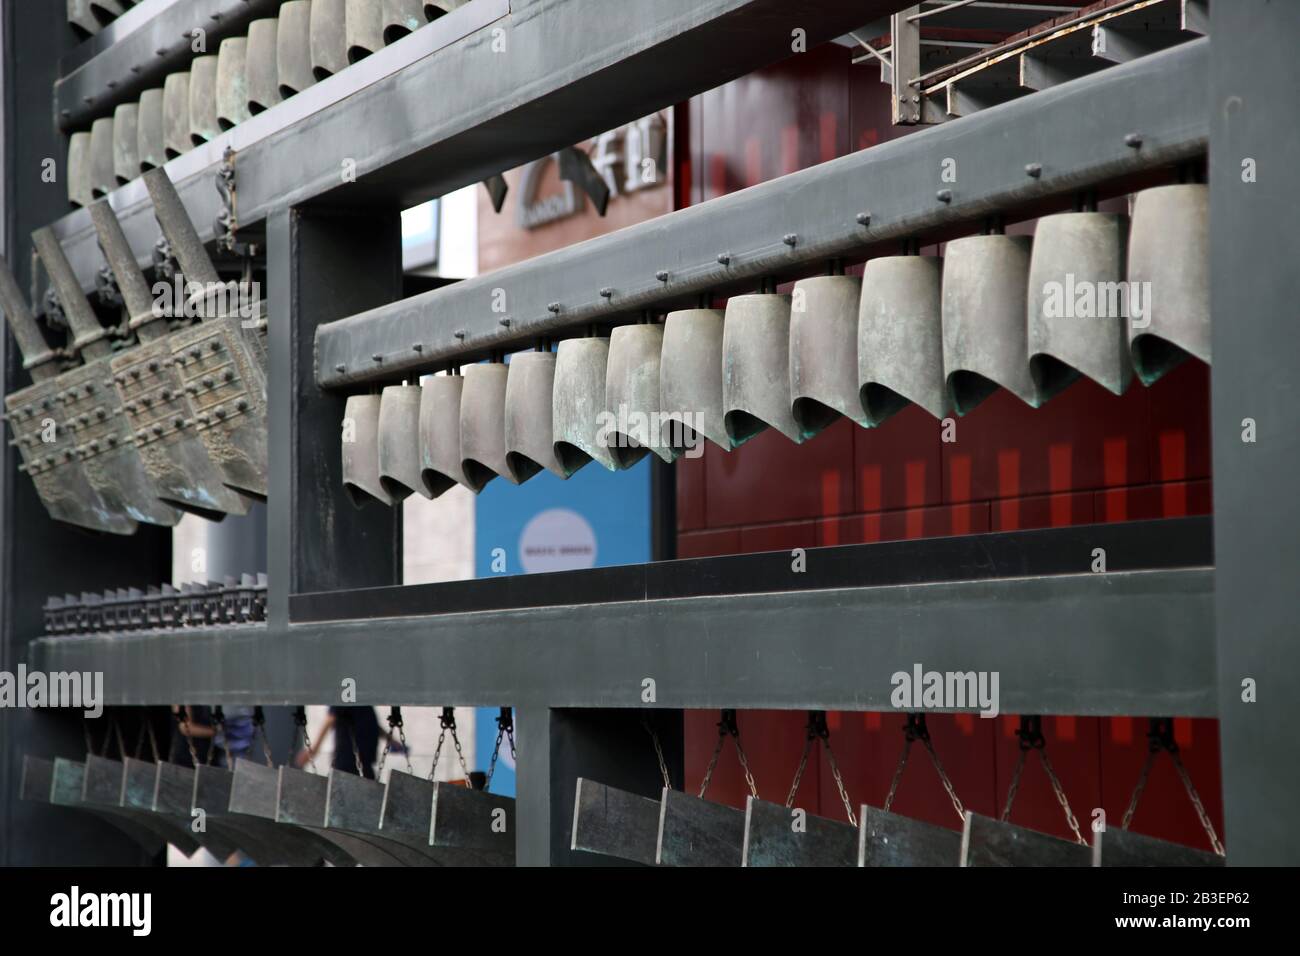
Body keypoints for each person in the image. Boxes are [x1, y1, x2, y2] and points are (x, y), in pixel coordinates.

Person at [294, 706, 394, 779]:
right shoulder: (347, 693)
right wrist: (314, 750)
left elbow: (371, 724)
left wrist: (392, 741)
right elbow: (330, 719)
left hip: (365, 763)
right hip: (347, 763)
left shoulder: (362, 699)